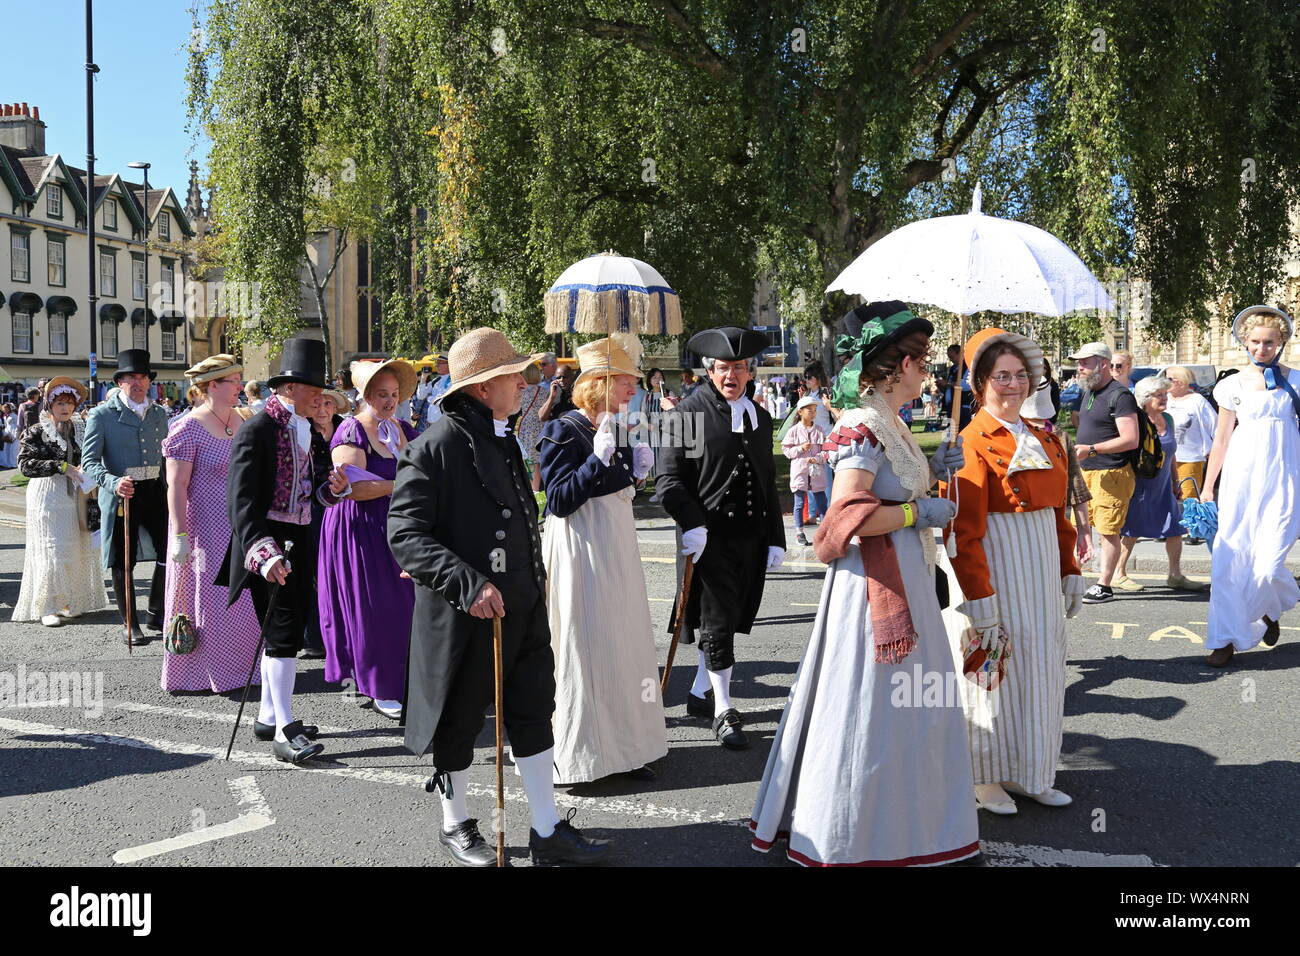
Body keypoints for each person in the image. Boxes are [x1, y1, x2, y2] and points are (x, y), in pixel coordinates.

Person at [750, 302, 977, 866]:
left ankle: (905, 825)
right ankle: (853, 833)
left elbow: (896, 485)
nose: (929, 370)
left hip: (908, 576)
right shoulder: (860, 425)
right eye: (921, 360)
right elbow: (846, 517)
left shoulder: (891, 422)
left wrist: (935, 465)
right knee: (869, 710)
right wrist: (916, 514)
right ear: (895, 366)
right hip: (873, 585)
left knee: (906, 708)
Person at [388, 327, 610, 866]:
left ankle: (546, 827)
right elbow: (405, 534)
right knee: (460, 721)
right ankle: (456, 823)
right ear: (484, 387)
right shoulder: (433, 446)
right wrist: (471, 584)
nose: (521, 383)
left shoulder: (503, 435)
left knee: (534, 710)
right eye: (512, 376)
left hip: (521, 605)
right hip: (467, 614)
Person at [941, 328, 1084, 815]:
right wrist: (978, 599)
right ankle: (985, 777)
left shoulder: (1044, 435)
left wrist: (1070, 567)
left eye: (1021, 375)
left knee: (1043, 671)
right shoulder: (969, 441)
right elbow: (962, 531)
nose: (1014, 384)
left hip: (1041, 571)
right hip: (997, 570)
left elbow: (1056, 513)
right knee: (994, 673)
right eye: (1002, 376)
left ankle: (1033, 770)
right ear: (979, 383)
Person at [537, 334, 667, 784]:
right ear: (601, 382)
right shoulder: (563, 429)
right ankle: (582, 757)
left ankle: (626, 750)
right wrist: (597, 461)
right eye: (627, 381)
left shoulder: (618, 425)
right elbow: (558, 500)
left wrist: (637, 471)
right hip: (580, 547)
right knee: (584, 645)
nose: (634, 389)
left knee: (622, 642)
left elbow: (620, 485)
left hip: (615, 544)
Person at [218, 338, 348, 763]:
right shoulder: (257, 429)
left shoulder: (308, 429)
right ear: (289, 389)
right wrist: (265, 552)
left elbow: (313, 495)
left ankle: (269, 715)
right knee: (282, 634)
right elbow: (240, 502)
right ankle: (284, 730)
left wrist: (333, 489)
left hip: (300, 539)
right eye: (314, 389)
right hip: (268, 542)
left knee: (286, 629)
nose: (321, 397)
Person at [656, 326, 785, 750]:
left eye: (741, 368)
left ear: (750, 372)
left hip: (749, 538)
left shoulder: (760, 417)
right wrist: (692, 524)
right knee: (717, 623)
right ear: (710, 370)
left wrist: (776, 537)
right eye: (725, 368)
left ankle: (698, 691)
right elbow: (669, 482)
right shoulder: (686, 415)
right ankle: (724, 709)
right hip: (707, 539)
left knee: (729, 618)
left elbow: (766, 481)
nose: (733, 375)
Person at [318, 359, 418, 719]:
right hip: (360, 529)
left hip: (398, 525)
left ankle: (403, 679)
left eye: (394, 394)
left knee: (404, 604)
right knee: (375, 607)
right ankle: (379, 685)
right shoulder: (351, 431)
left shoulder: (404, 428)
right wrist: (403, 484)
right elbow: (354, 490)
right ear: (365, 395)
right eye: (381, 395)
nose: (390, 401)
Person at [1200, 306, 1300, 667]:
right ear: (1245, 341)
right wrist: (1208, 486)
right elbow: (1222, 439)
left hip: (1284, 480)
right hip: (1241, 481)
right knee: (1230, 560)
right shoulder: (1230, 385)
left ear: (1281, 342)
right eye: (1255, 342)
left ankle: (1267, 610)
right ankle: (1223, 638)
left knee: (1269, 564)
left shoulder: (1297, 381)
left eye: (1269, 342)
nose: (1262, 348)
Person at [160, 356, 264, 693]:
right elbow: (175, 486)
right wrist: (179, 535)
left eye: (238, 379)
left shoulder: (244, 419)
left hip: (240, 526)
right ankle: (205, 672)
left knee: (244, 600)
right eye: (233, 380)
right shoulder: (188, 427)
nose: (239, 385)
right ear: (212, 386)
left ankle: (246, 667)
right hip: (204, 529)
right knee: (210, 602)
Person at [83, 350, 173, 644]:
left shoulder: (160, 413)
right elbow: (90, 462)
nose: (137, 382)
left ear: (149, 381)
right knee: (123, 558)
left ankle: (157, 610)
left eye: (142, 377)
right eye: (130, 377)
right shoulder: (102, 415)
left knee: (168, 550)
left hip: (156, 490)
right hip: (123, 491)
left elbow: (166, 456)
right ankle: (129, 622)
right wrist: (112, 481)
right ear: (120, 382)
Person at [12, 378, 107, 627]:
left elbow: (93, 454)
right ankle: (48, 606)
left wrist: (87, 467)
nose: (66, 408)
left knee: (74, 549)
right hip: (48, 495)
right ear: (50, 404)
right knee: (51, 550)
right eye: (60, 403)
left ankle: (67, 602)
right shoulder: (36, 431)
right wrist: (61, 467)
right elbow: (24, 465)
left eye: (70, 403)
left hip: (77, 494)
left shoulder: (80, 427)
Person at [1112, 376, 1207, 593]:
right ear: (1145, 399)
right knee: (1132, 529)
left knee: (1174, 528)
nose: (1164, 398)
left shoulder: (1168, 419)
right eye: (1159, 395)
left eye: (1165, 394)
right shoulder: (1136, 420)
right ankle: (1119, 573)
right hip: (1141, 484)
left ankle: (1175, 575)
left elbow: (1172, 454)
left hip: (1164, 484)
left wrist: (1175, 480)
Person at [1070, 342, 1140, 604]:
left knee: (1108, 530)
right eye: (1079, 363)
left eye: (1084, 363)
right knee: (1079, 526)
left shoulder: (1120, 396)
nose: (1079, 367)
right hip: (1085, 471)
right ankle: (1076, 575)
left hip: (1111, 473)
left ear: (1102, 364)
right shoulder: (1090, 392)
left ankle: (1104, 584)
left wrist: (1091, 449)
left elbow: (1130, 439)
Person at [302, 387, 350, 660]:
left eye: (328, 404)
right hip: (312, 507)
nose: (322, 409)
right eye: (317, 404)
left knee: (339, 570)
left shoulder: (347, 430)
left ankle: (341, 635)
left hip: (344, 505)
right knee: (313, 570)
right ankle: (314, 636)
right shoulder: (303, 431)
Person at [1164, 365, 1217, 511]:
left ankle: (1190, 530)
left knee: (1188, 497)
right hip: (1166, 458)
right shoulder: (1164, 398)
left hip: (1190, 458)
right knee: (1166, 497)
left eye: (1168, 379)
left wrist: (1215, 451)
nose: (1164, 382)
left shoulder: (1197, 400)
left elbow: (1215, 425)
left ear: (1180, 381)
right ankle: (1170, 530)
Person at [783, 395, 828, 547]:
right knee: (799, 503)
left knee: (822, 503)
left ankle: (825, 533)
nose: (813, 413)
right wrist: (800, 449)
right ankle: (799, 532)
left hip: (816, 473)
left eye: (815, 410)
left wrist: (818, 458)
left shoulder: (820, 430)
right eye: (809, 410)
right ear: (800, 411)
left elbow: (826, 452)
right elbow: (787, 451)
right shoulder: (793, 431)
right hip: (800, 473)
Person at [515, 363, 547, 490]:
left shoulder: (521, 391)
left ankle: (532, 489)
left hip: (526, 428)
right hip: (541, 426)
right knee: (539, 459)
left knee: (529, 460)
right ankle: (538, 489)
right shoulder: (544, 391)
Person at [421, 353, 453, 429]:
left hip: (443, 423)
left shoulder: (452, 381)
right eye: (437, 363)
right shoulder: (436, 380)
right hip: (430, 422)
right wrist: (423, 378)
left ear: (449, 364)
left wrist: (429, 398)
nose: (436, 365)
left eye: (440, 363)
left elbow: (441, 401)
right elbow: (421, 396)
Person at [0, 403, 18, 468]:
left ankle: (14, 464)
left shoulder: (14, 416)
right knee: (7, 449)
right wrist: (5, 433)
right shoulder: (4, 416)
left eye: (6, 408)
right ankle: (8, 464)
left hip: (14, 434)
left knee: (13, 450)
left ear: (10, 408)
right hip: (7, 434)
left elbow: (17, 425)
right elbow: (6, 425)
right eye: (4, 408)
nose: (5, 409)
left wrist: (15, 434)